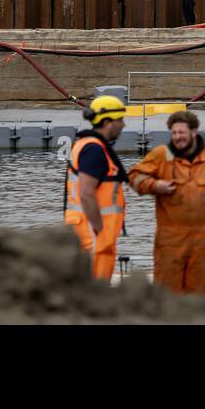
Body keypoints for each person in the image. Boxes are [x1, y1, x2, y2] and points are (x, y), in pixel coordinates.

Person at [127, 110, 205, 295]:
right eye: (174, 133)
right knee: (166, 294)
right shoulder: (161, 155)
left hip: (203, 241)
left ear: (194, 132)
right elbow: (133, 177)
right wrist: (155, 186)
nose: (178, 137)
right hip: (169, 240)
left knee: (201, 295)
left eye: (182, 132)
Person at [64, 93, 130, 281]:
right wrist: (100, 231)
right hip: (92, 233)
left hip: (89, 231)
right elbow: (86, 193)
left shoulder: (88, 145)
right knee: (94, 290)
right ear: (108, 121)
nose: (123, 125)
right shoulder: (94, 150)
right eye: (120, 120)